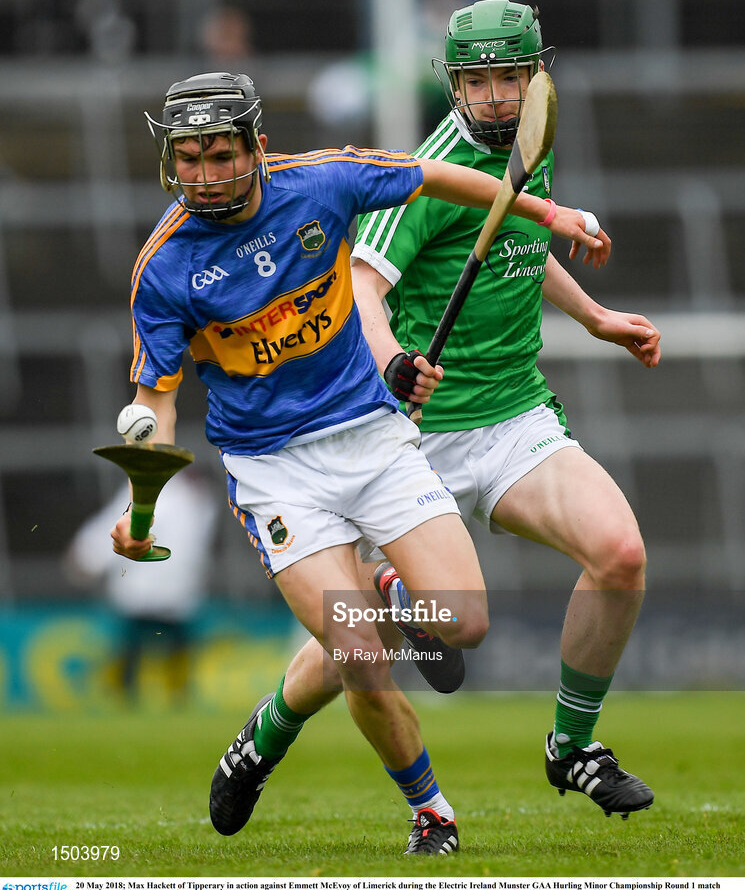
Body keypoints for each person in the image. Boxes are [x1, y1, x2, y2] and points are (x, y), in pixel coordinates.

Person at [109, 70, 603, 855]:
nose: (204, 174)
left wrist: (547, 210)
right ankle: (430, 811)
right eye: (188, 158)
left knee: (464, 623)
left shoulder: (319, 181)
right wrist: (143, 499)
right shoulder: (165, 267)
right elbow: (157, 399)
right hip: (274, 470)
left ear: (256, 147)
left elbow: (431, 175)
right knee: (360, 654)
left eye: (219, 154)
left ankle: (276, 718)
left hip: (370, 437)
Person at [235, 0, 659, 825]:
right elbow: (361, 284)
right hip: (414, 440)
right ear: (453, 85)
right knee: (354, 646)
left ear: (537, 77)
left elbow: (517, 247)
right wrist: (392, 359)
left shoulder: (532, 135)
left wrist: (594, 316)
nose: (498, 98)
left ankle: (572, 747)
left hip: (512, 416)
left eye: (511, 77)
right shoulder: (421, 173)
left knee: (620, 555)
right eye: (480, 82)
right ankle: (264, 733)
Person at [66, 468, 217, 703]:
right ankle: (127, 702)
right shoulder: (152, 494)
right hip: (142, 593)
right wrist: (89, 556)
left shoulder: (203, 500)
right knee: (133, 655)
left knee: (177, 657)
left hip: (178, 595)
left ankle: (177, 702)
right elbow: (117, 526)